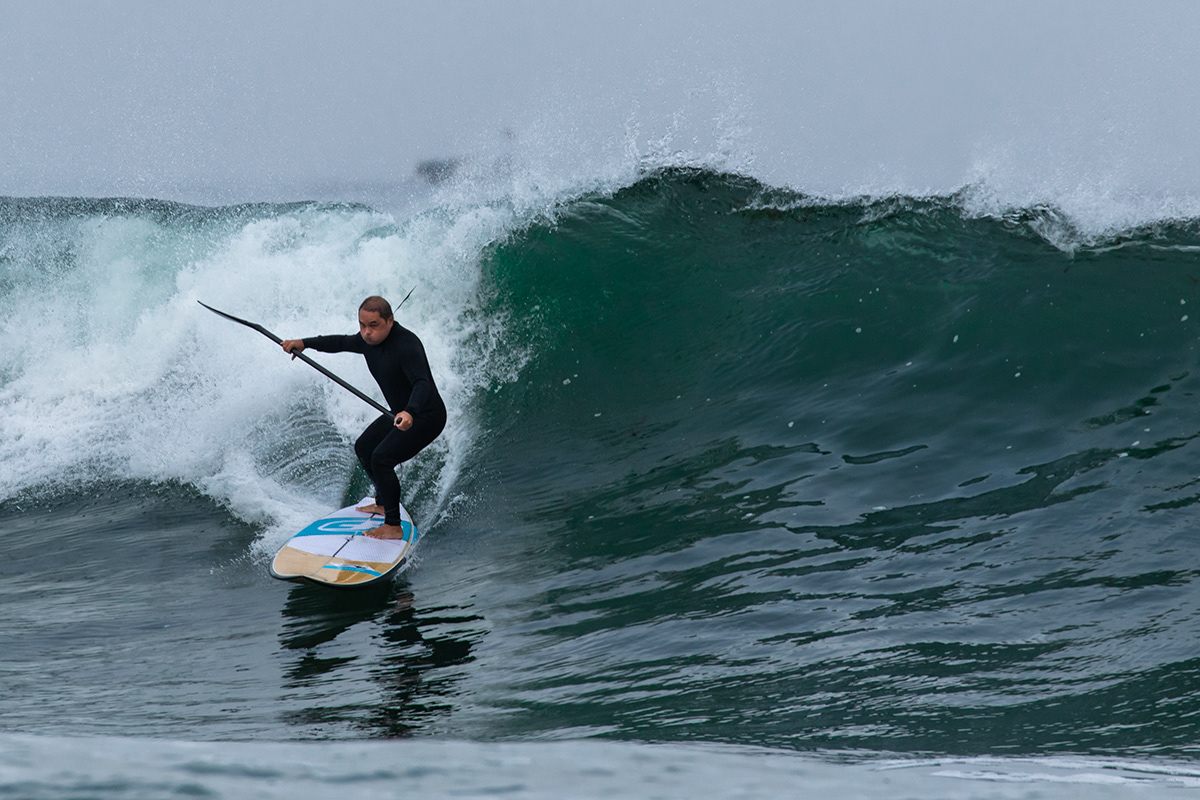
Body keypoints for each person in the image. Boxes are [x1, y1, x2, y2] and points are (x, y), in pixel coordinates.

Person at [281, 296, 446, 540]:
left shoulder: (407, 345)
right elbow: (340, 342)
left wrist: (411, 411)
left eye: (373, 325)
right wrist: (304, 343)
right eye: (362, 325)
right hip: (399, 412)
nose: (366, 332)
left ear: (390, 321)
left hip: (425, 416)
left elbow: (422, 384)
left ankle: (393, 526)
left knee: (381, 458)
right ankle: (384, 503)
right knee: (365, 447)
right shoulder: (368, 340)